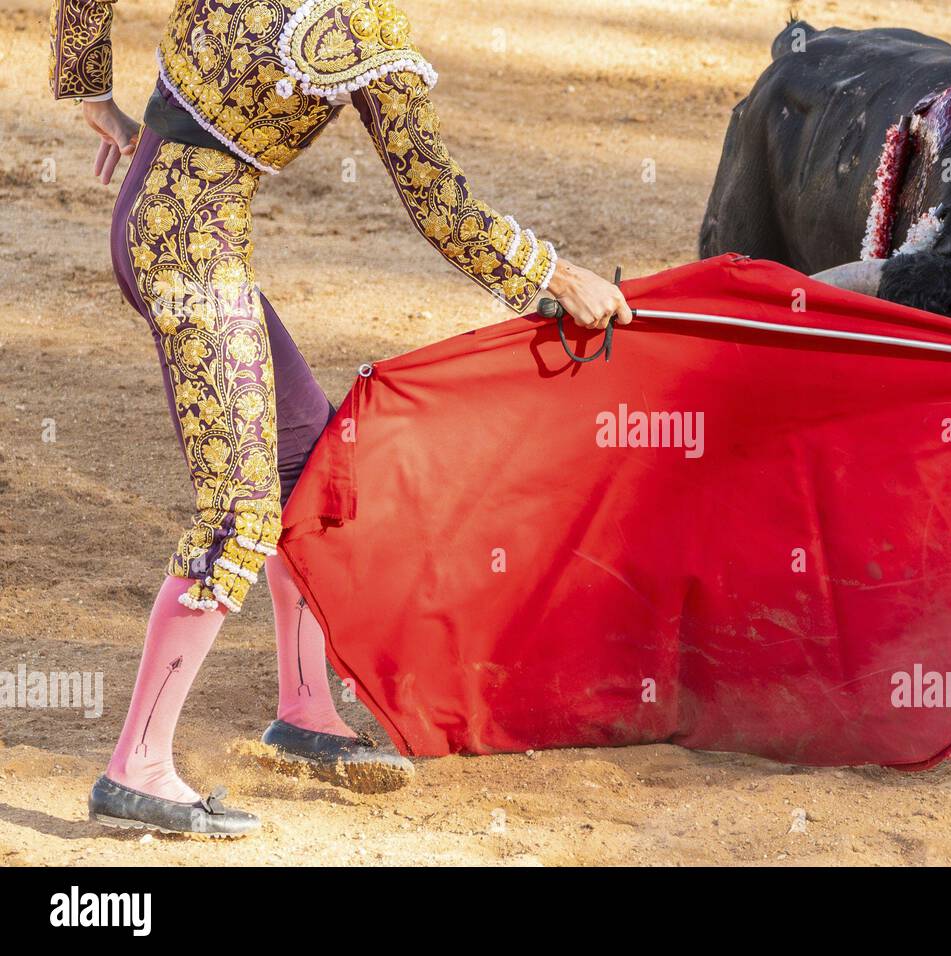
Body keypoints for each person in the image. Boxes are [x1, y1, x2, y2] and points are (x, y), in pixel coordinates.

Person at [51, 0, 632, 837]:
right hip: (189, 253)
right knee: (242, 510)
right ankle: (135, 768)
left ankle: (305, 707)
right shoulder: (364, 29)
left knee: (311, 465)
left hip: (177, 234)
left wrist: (90, 88)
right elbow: (433, 199)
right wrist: (556, 273)